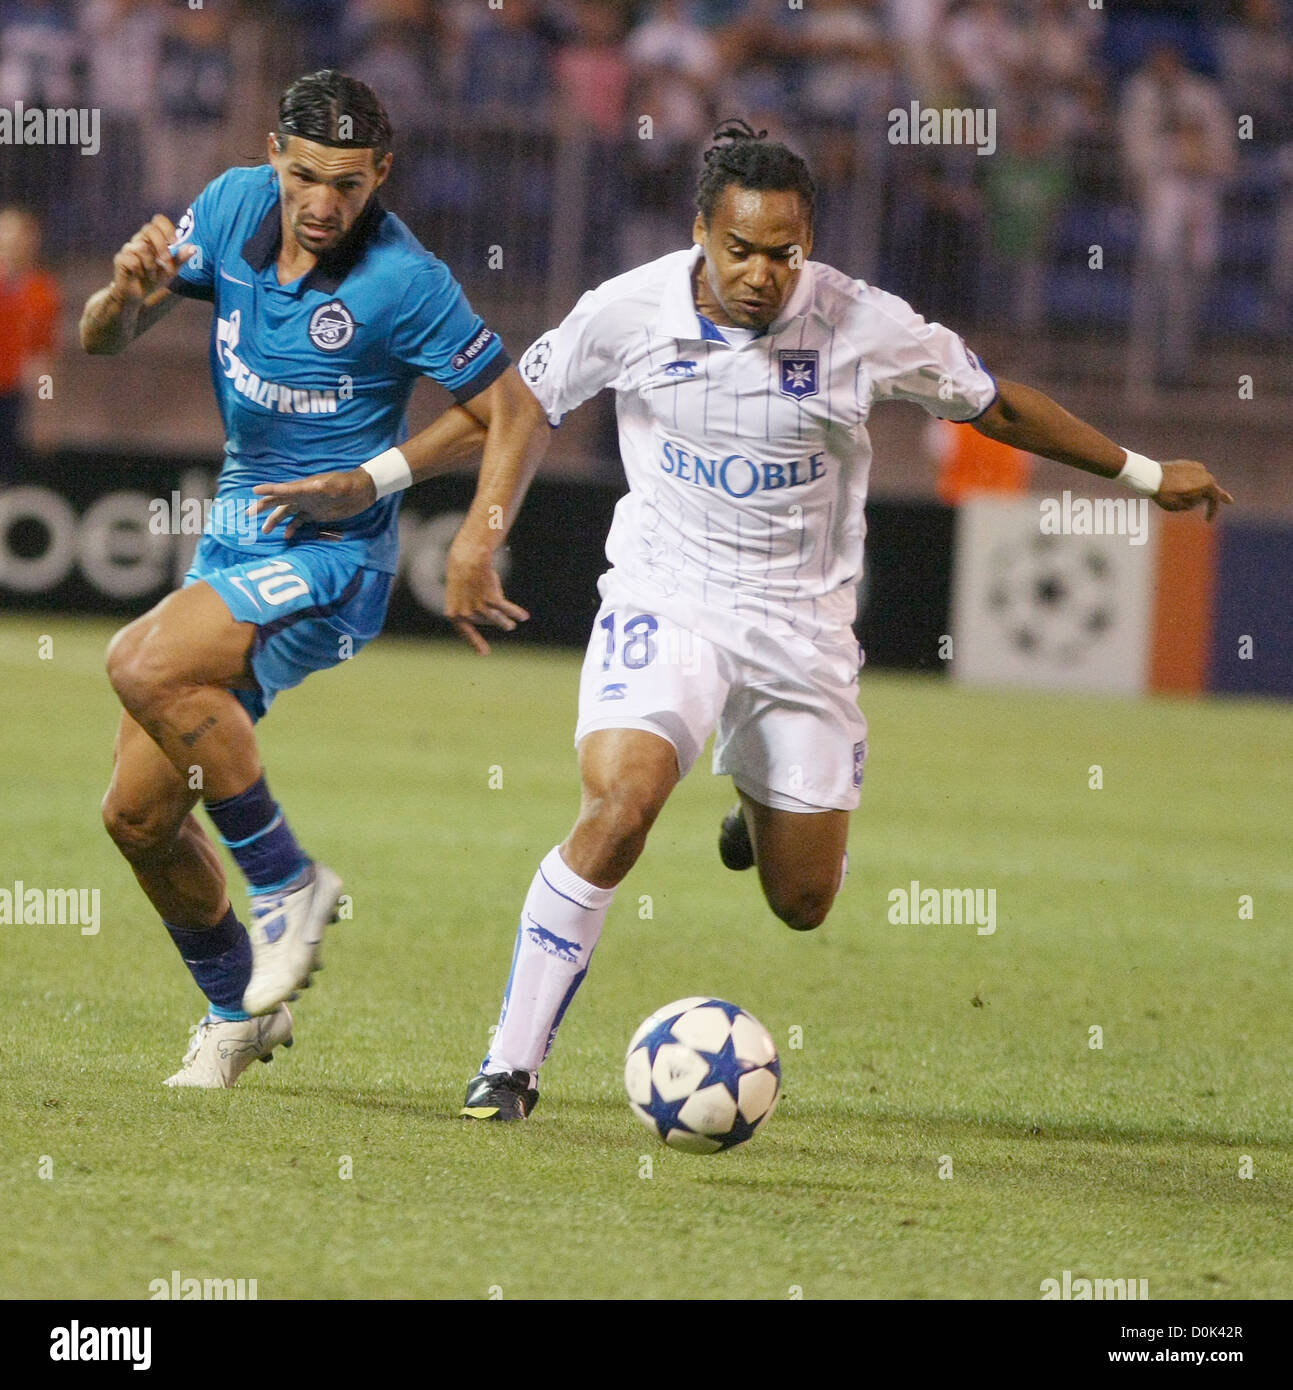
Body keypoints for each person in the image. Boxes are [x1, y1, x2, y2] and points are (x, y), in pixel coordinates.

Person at [253, 122, 1232, 1122]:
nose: (765, 273)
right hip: (664, 597)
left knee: (802, 903)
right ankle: (510, 1065)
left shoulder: (863, 323)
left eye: (785, 251)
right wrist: (409, 497)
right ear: (700, 234)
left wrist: (1145, 475)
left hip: (800, 629)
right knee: (621, 805)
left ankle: (760, 806)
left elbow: (996, 407)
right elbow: (515, 405)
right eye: (742, 249)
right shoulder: (626, 310)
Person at [79, 70, 543, 1088]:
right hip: (240, 529)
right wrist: (126, 291)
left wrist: (463, 533)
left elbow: (509, 408)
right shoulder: (233, 205)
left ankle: (288, 882)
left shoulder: (404, 280)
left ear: (382, 171)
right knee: (137, 817)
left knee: (141, 662)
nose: (324, 202)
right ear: (272, 156)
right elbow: (102, 340)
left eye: (348, 181)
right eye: (305, 176)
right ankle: (233, 1011)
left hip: (336, 560)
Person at [0, 206, 60, 483]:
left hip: (11, 396)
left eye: (19, 241)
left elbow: (43, 359)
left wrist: (44, 412)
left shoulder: (42, 293)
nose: (12, 248)